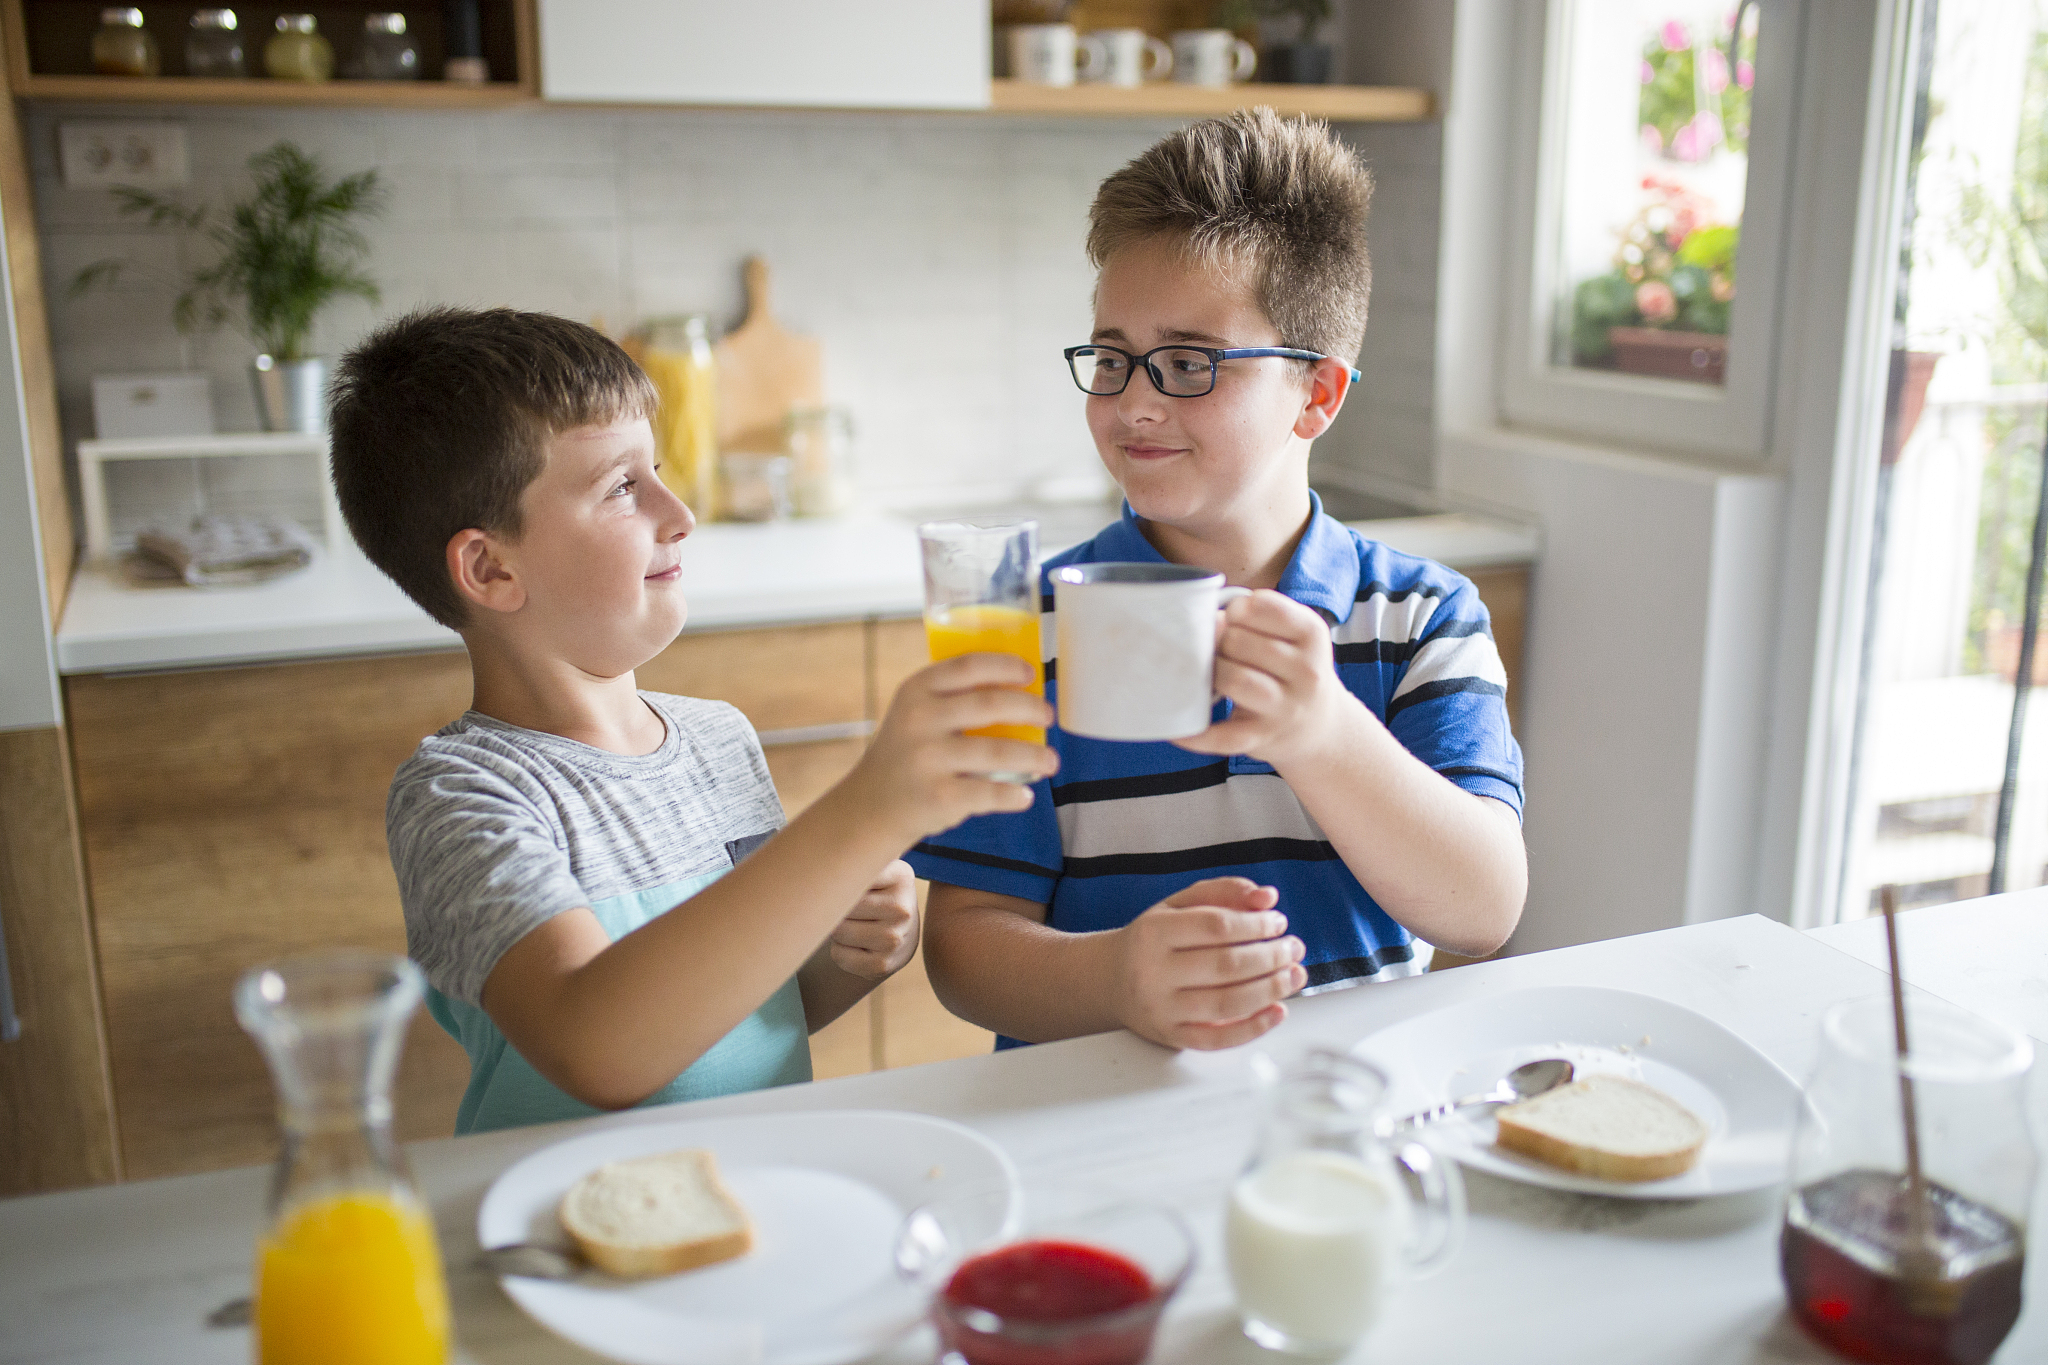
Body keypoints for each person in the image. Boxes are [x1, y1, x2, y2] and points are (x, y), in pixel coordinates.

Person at [329, 308, 1055, 1133]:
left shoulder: (718, 741)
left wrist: (844, 957)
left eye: (660, 470)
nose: (681, 513)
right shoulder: (462, 797)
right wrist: (868, 809)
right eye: (622, 486)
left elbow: (737, 1013)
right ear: (491, 567)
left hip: (747, 1192)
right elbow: (600, 1045)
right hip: (563, 1233)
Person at [910, 110, 1527, 1053]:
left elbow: (1483, 909)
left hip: (1338, 1119)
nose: (1134, 402)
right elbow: (961, 949)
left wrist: (1320, 730)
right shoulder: (1021, 626)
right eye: (1111, 358)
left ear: (1316, 395)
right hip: (1088, 1121)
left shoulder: (1420, 619)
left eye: (1191, 362)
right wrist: (1117, 979)